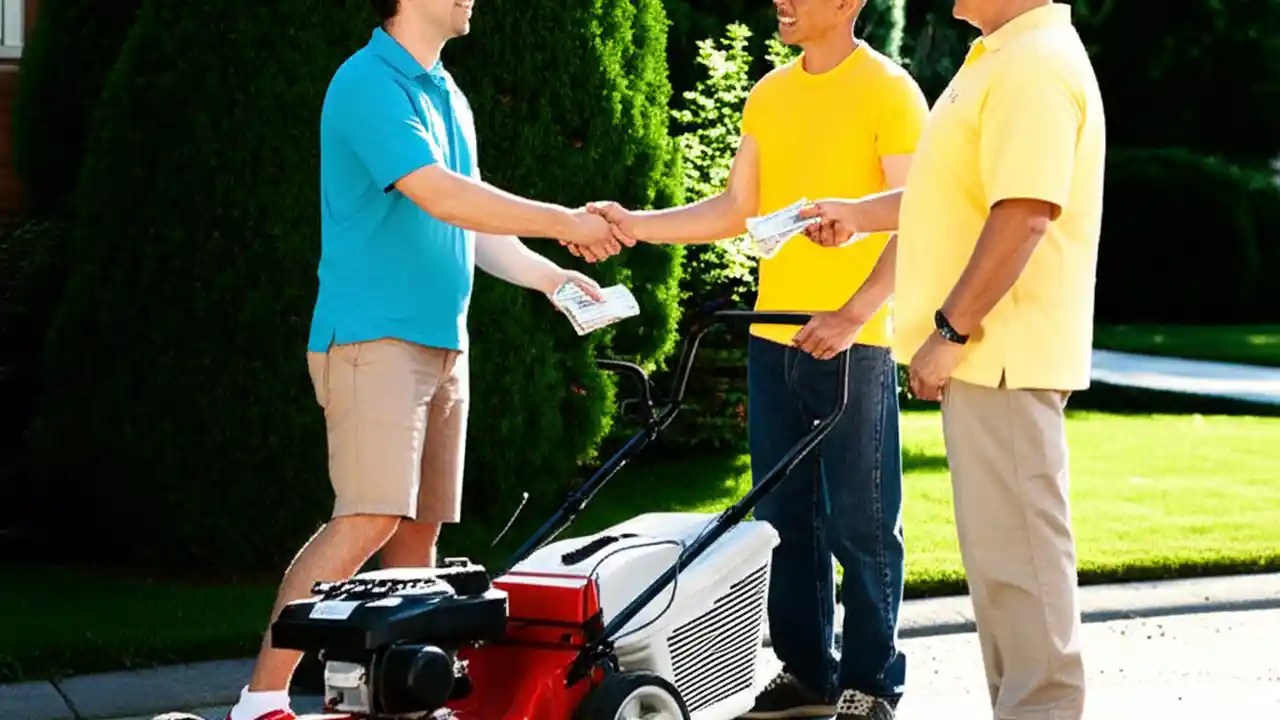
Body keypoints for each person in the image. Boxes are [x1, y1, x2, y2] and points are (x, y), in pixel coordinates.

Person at [223, 1, 625, 719]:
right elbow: (438, 193)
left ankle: (395, 699)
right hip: (374, 339)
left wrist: (550, 276)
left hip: (444, 342)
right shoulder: (367, 83)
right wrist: (566, 222)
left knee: (419, 530)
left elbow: (470, 223)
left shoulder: (449, 94)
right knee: (368, 517)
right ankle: (262, 699)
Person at [584, 1, 928, 716]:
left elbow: (920, 212)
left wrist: (854, 313)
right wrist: (636, 226)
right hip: (773, 336)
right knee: (782, 519)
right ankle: (807, 673)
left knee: (861, 524)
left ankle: (871, 684)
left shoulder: (889, 90)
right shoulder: (770, 93)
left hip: (853, 342)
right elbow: (736, 210)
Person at [800, 1, 1105, 717]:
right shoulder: (999, 57)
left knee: (1022, 565)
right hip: (993, 359)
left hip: (1005, 357)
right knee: (1004, 568)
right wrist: (858, 212)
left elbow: (1024, 213)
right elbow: (953, 192)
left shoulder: (1033, 64)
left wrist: (951, 331)